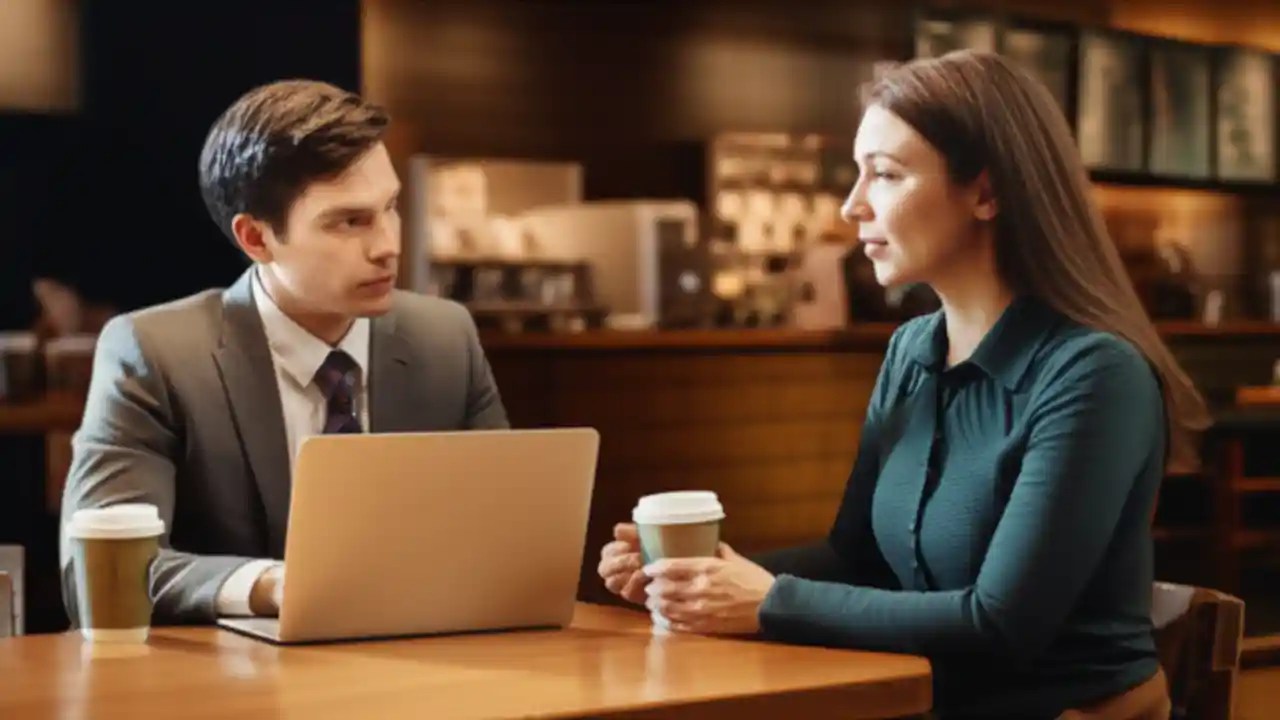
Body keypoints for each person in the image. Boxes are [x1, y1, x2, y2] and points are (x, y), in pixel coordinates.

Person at [599, 51, 1209, 718]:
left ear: (986, 191)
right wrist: (695, 579)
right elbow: (854, 557)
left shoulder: (1094, 374)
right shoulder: (914, 349)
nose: (851, 206)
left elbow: (1001, 626)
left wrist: (767, 601)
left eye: (885, 175)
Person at [60, 80, 509, 625]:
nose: (388, 244)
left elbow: (499, 539)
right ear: (256, 238)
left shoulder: (446, 339)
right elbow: (100, 574)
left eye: (390, 208)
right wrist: (272, 586)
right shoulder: (156, 354)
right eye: (349, 221)